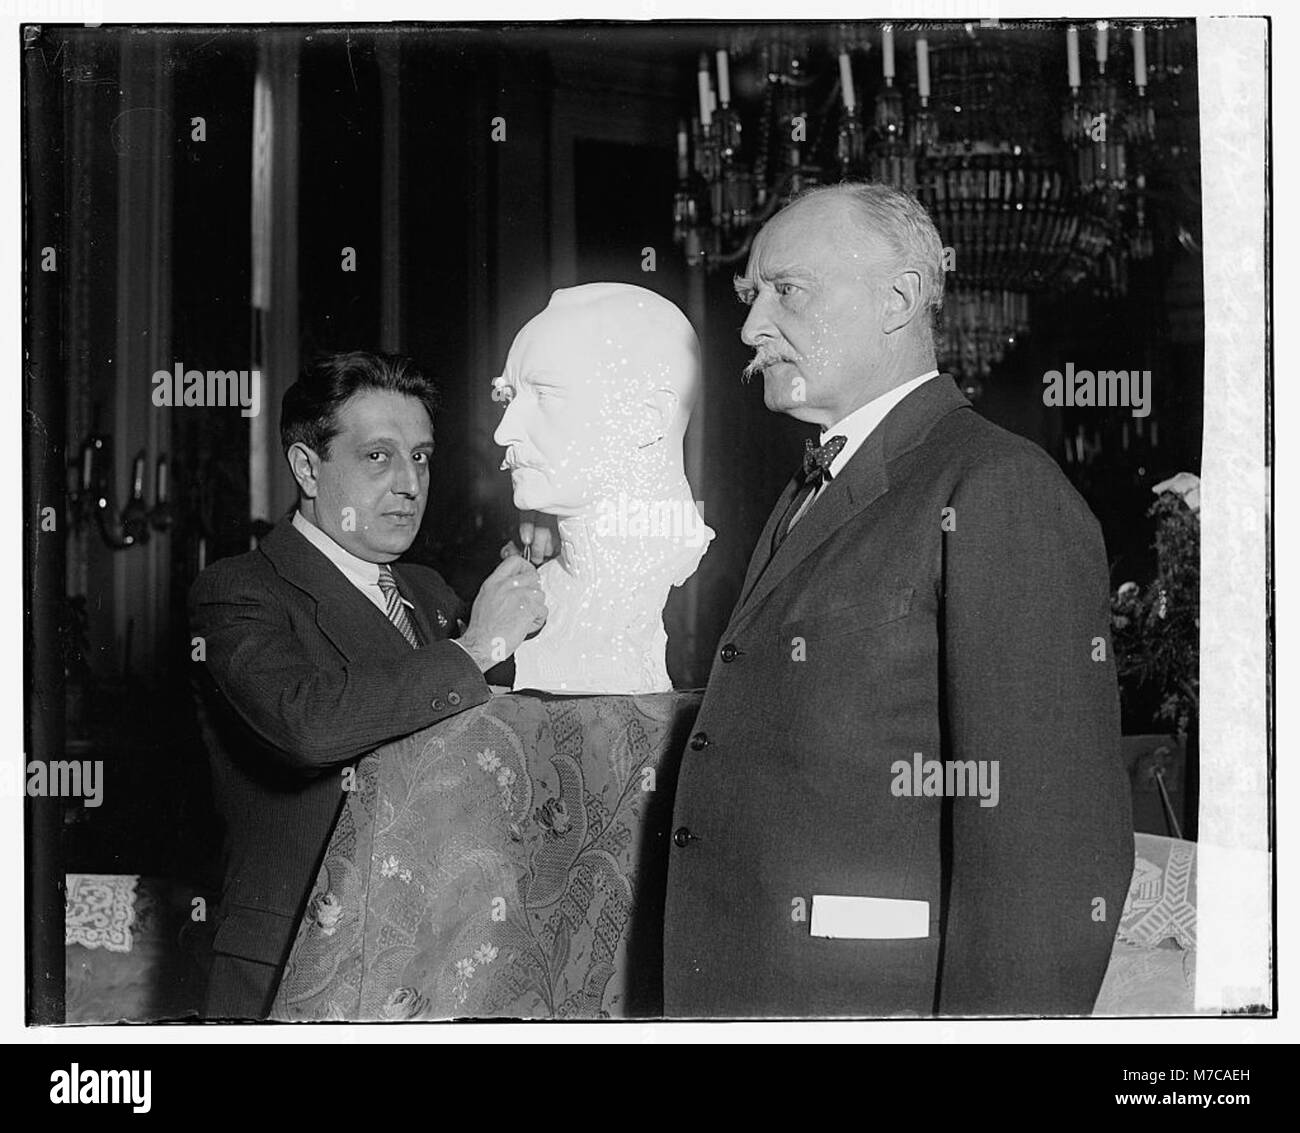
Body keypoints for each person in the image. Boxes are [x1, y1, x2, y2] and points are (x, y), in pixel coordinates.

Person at [662, 183, 1134, 1018]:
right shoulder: (813, 484)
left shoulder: (999, 487)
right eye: (750, 297)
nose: (749, 328)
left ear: (901, 298)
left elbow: (1046, 853)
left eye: (786, 290)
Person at [190, 350, 546, 1020]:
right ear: (306, 468)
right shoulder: (240, 592)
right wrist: (476, 647)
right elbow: (306, 725)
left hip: (436, 964)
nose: (411, 482)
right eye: (378, 456)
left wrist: (541, 579)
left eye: (422, 455)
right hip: (298, 969)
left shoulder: (430, 593)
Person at [492, 283, 714, 694]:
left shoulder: (714, 594)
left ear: (648, 418)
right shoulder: (531, 594)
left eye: (545, 394)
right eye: (507, 398)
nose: (503, 432)